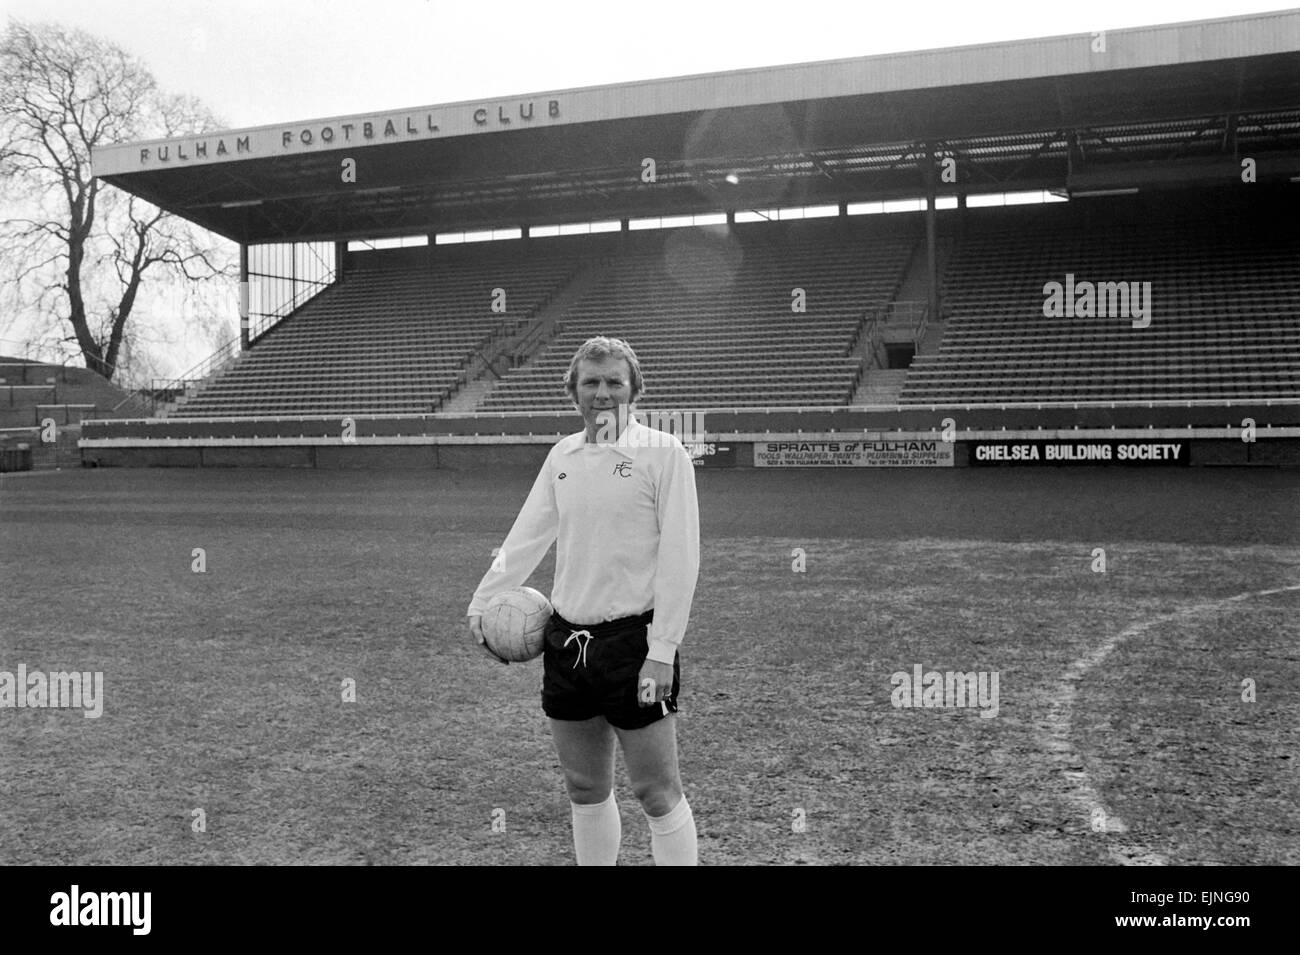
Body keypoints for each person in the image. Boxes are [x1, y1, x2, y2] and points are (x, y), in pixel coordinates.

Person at [466, 335, 701, 866]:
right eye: (590, 382)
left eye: (614, 382)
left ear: (634, 390)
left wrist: (662, 648)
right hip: (567, 643)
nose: (602, 393)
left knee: (656, 793)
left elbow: (682, 560)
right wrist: (481, 603)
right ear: (573, 391)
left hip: (634, 646)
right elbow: (526, 536)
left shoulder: (665, 456)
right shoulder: (562, 456)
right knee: (583, 788)